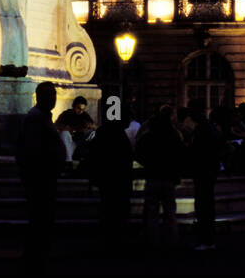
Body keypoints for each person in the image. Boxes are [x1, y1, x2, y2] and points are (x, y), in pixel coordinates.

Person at [17, 82, 65, 269]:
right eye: (50, 95)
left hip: (43, 176)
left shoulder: (40, 117)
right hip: (40, 178)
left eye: (54, 95)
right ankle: (35, 257)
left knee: (41, 217)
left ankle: (37, 255)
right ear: (40, 97)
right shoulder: (36, 118)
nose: (53, 99)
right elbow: (34, 150)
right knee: (40, 217)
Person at [88, 98, 134, 253]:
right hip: (117, 181)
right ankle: (114, 242)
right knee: (116, 212)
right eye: (128, 116)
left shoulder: (103, 132)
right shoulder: (118, 135)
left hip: (107, 180)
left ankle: (109, 241)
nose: (130, 120)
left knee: (108, 210)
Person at [136, 105, 186, 247]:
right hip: (169, 177)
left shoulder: (149, 136)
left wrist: (147, 164)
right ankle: (172, 241)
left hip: (153, 176)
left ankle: (152, 241)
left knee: (151, 212)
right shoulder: (175, 135)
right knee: (170, 212)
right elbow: (181, 155)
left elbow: (139, 153)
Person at [182, 102, 224, 250]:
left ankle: (205, 240)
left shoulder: (201, 129)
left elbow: (196, 151)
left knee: (203, 206)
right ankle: (208, 240)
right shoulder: (209, 127)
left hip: (203, 171)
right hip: (209, 170)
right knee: (206, 205)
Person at [54, 95, 96, 169]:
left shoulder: (85, 115)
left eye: (83, 109)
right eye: (78, 108)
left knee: (94, 134)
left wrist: (91, 126)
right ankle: (68, 162)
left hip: (80, 144)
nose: (80, 111)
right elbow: (56, 125)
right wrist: (68, 129)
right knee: (64, 133)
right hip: (70, 144)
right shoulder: (66, 114)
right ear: (73, 106)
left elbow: (94, 127)